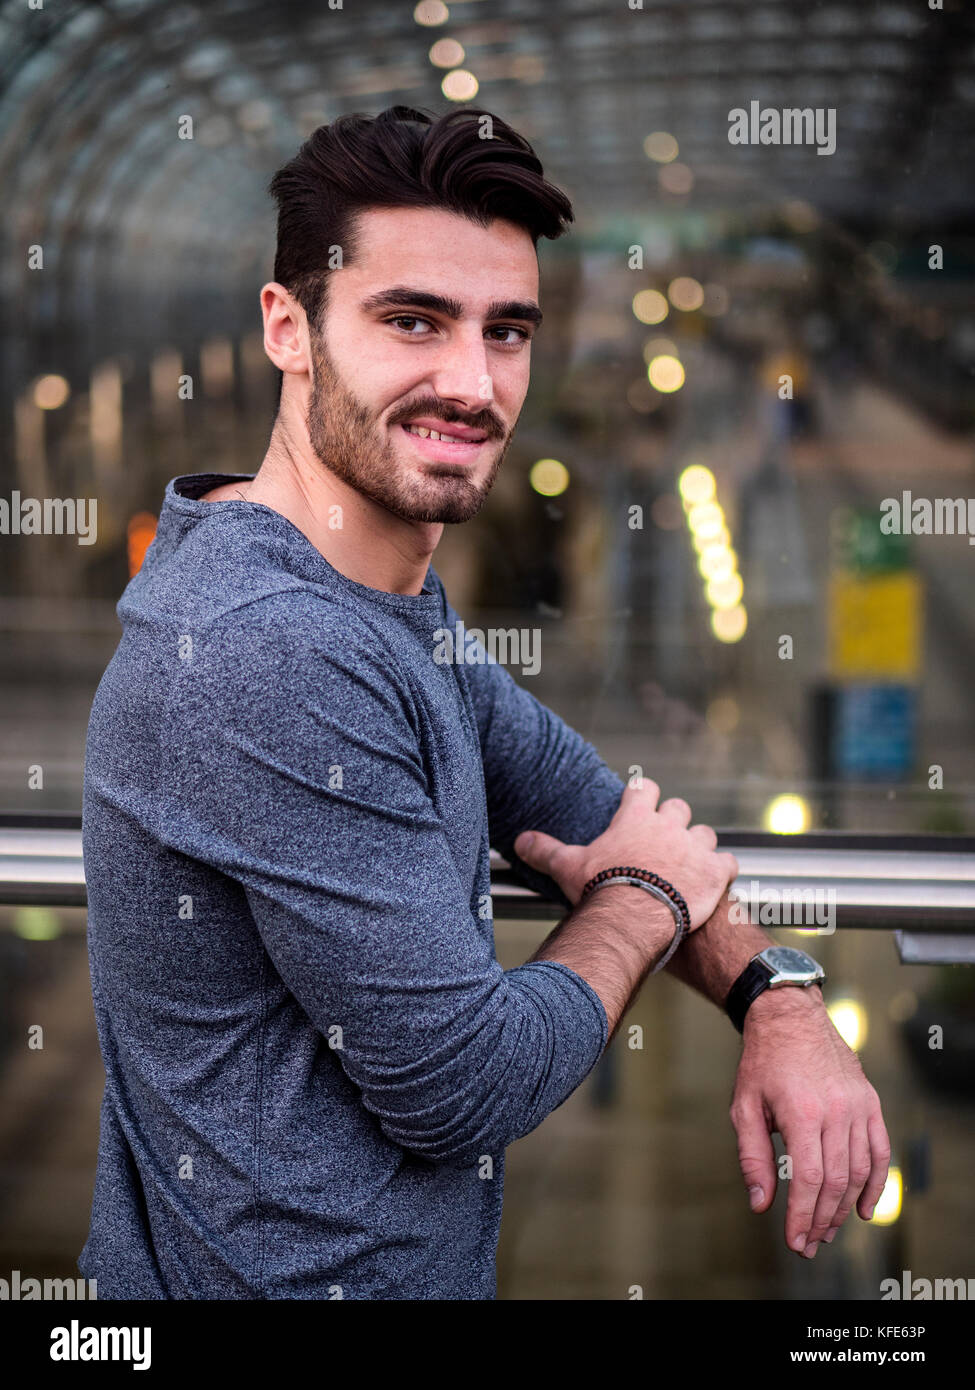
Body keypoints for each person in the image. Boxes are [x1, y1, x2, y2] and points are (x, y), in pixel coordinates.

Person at [79, 105, 889, 1300]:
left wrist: (773, 990)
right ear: (288, 328)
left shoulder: (380, 599)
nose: (472, 382)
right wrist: (648, 898)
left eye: (507, 331)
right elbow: (466, 1083)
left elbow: (591, 804)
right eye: (412, 320)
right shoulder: (272, 649)